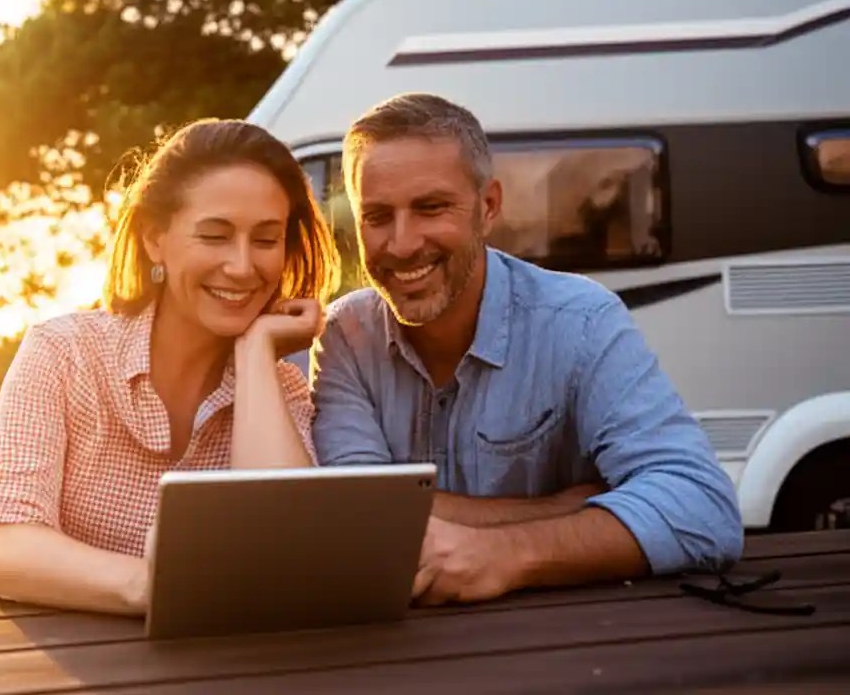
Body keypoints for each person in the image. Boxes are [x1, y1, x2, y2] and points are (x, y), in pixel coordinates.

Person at [310, 92, 743, 605]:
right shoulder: (345, 335)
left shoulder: (580, 320)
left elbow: (703, 507)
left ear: (488, 206)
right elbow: (360, 521)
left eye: (431, 208)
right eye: (377, 216)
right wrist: (566, 508)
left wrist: (508, 555)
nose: (402, 244)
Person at [0, 119, 340, 615]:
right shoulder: (62, 354)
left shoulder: (279, 389)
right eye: (215, 236)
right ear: (154, 239)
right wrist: (158, 587)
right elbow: (2, 551)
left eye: (266, 240)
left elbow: (287, 549)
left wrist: (255, 351)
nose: (243, 266)